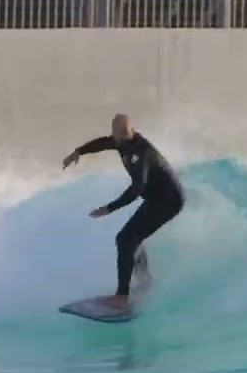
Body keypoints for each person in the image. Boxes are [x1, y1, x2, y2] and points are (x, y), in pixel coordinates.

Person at [62, 114, 185, 310]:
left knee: (125, 239)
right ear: (115, 134)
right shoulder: (119, 141)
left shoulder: (141, 151)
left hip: (168, 201)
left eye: (127, 133)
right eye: (120, 135)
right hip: (157, 198)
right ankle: (145, 283)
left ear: (132, 130)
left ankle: (122, 298)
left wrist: (109, 208)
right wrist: (79, 152)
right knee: (133, 237)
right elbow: (103, 143)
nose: (124, 138)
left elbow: (137, 188)